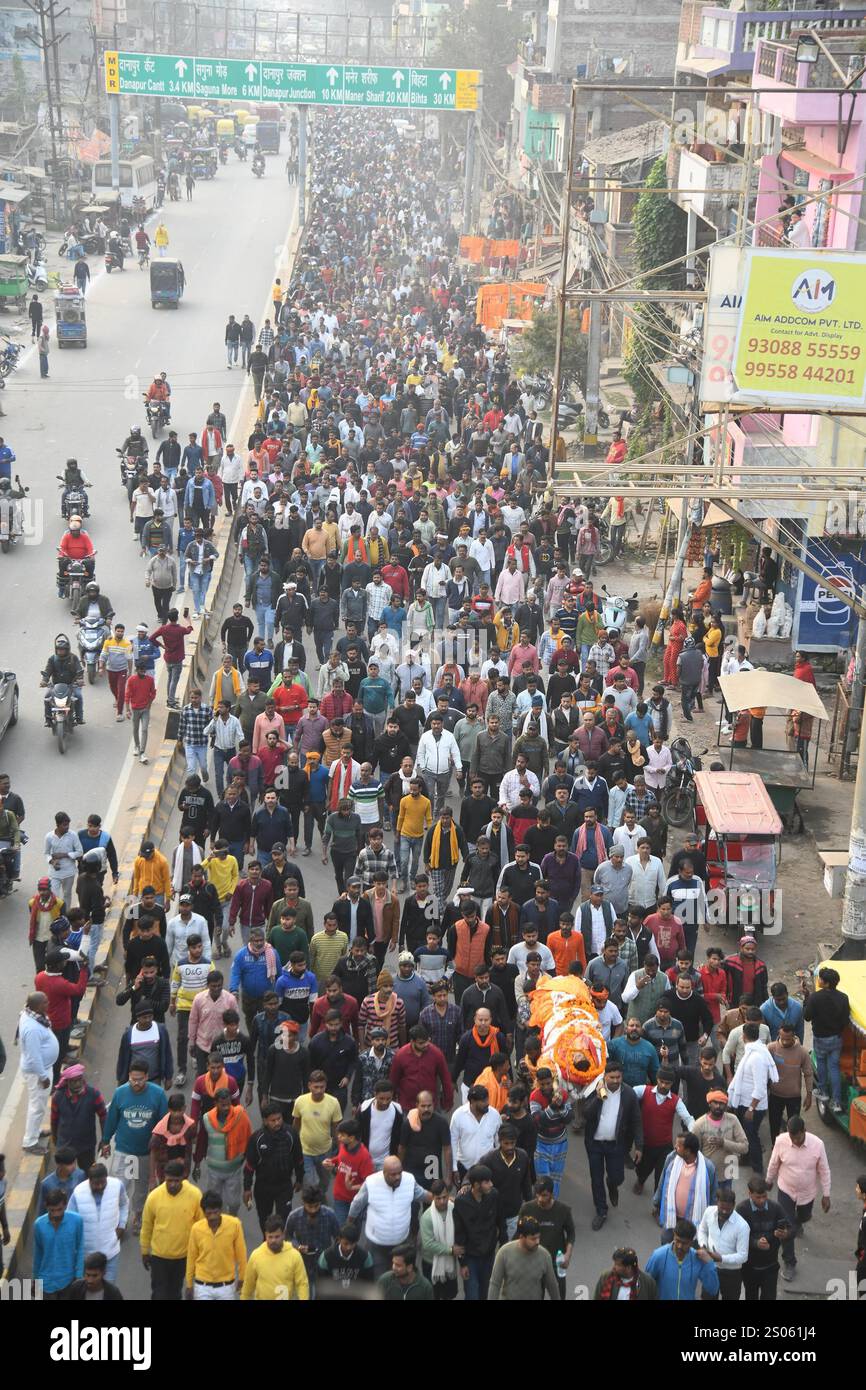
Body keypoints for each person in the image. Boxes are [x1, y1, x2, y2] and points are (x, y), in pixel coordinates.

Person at [765, 1115, 831, 1281]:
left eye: (798, 1136)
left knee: (803, 1217)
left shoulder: (817, 1145)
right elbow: (774, 1163)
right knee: (787, 1228)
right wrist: (768, 1180)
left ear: (804, 1131)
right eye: (791, 1136)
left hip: (807, 1193)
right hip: (785, 1190)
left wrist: (826, 1194)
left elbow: (824, 1170)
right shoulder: (781, 1141)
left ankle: (799, 1221)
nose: (794, 1140)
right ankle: (790, 1263)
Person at [583, 1060, 643, 1232]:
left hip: (616, 1145)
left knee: (617, 1177)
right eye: (612, 1077)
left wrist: (639, 1146)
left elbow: (636, 1121)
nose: (616, 1081)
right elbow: (586, 1114)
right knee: (596, 1178)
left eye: (618, 1077)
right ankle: (601, 1211)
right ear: (605, 1076)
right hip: (594, 1143)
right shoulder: (594, 1089)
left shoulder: (629, 1094)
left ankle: (612, 1184)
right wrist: (597, 1097)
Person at [802, 965, 850, 1112]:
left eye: (821, 979)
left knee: (821, 1064)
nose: (819, 980)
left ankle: (823, 1092)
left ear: (827, 983)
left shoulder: (815, 998)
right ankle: (836, 1102)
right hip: (836, 1039)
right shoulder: (843, 997)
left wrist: (806, 1000)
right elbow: (845, 1021)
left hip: (821, 1039)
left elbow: (807, 1016)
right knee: (834, 1068)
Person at [736, 1175, 791, 1301]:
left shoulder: (775, 1208)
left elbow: (790, 1228)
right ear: (749, 1194)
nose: (762, 1200)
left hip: (770, 1266)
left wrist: (785, 1234)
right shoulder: (742, 1210)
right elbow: (736, 1238)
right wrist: (755, 1243)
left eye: (764, 1196)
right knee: (751, 1296)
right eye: (758, 1197)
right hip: (749, 1267)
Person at [185, 1190, 247, 1301]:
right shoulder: (196, 1229)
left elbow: (241, 1255)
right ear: (203, 1213)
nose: (213, 1217)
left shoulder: (235, 1225)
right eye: (209, 1213)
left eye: (216, 1212)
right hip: (202, 1287)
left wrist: (242, 1278)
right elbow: (191, 1257)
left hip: (226, 1287)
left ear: (221, 1210)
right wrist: (189, 1285)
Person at [488, 1214, 560, 1301]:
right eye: (533, 1239)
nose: (537, 1242)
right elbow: (495, 1283)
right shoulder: (504, 1253)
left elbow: (552, 1285)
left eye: (538, 1237)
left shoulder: (544, 1256)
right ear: (521, 1237)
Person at [592, 1245, 658, 1301]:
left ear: (628, 1268)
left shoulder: (648, 1283)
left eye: (617, 1265)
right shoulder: (606, 1277)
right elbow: (596, 1297)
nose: (614, 1267)